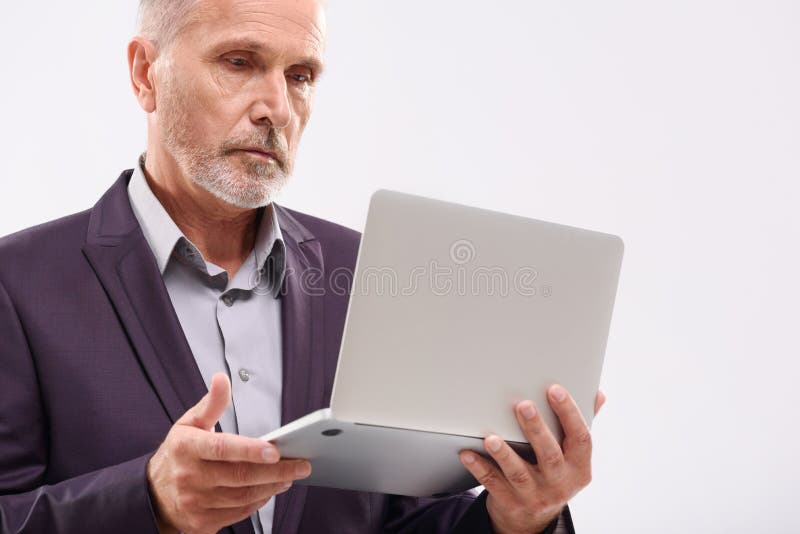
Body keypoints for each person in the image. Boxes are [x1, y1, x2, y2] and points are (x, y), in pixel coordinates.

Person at [0, 1, 605, 533]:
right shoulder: (18, 284)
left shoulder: (368, 274)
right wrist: (148, 502)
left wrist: (515, 518)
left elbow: (393, 520)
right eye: (239, 62)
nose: (276, 108)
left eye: (300, 75)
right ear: (144, 74)